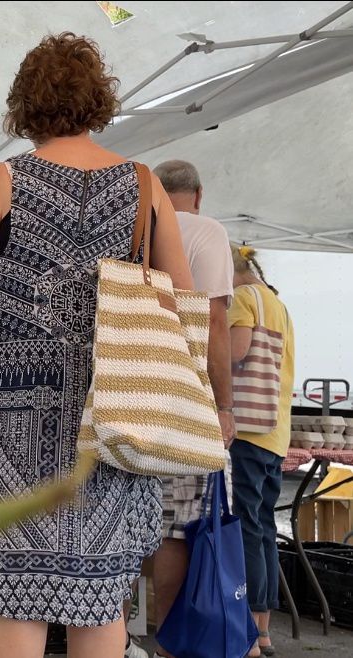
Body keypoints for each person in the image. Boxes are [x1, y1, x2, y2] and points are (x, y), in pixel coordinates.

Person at [0, 33, 195, 658]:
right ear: (98, 100)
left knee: (15, 590)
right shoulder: (144, 183)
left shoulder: (4, 179)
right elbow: (182, 294)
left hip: (10, 411)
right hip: (112, 405)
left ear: (25, 104)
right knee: (99, 593)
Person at [150, 159, 236, 655]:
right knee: (177, 527)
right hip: (186, 398)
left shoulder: (135, 227)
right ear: (198, 194)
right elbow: (216, 321)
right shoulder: (207, 232)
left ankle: (117, 637)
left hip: (130, 394)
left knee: (125, 520)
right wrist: (224, 405)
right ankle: (170, 642)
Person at [229, 244, 294, 658]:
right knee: (264, 528)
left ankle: (249, 633)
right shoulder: (277, 303)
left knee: (248, 528)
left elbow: (235, 353)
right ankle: (264, 630)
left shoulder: (243, 297)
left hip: (248, 430)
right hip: (275, 433)